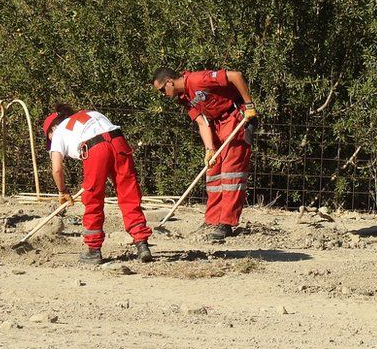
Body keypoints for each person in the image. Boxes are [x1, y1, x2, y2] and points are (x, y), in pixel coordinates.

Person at [152, 68, 258, 241]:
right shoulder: (184, 98)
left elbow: (235, 75)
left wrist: (249, 104)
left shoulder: (198, 80)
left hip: (234, 118)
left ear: (170, 81)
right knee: (213, 171)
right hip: (216, 125)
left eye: (162, 90)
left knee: (231, 174)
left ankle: (226, 223)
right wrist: (209, 150)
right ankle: (213, 219)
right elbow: (202, 122)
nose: (163, 94)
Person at [42, 105, 153, 264]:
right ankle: (142, 244)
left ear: (53, 128)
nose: (51, 141)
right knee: (129, 193)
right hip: (118, 141)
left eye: (49, 137)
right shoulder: (89, 113)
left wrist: (63, 191)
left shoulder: (59, 132)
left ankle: (93, 251)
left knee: (93, 197)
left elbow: (57, 170)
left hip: (94, 148)